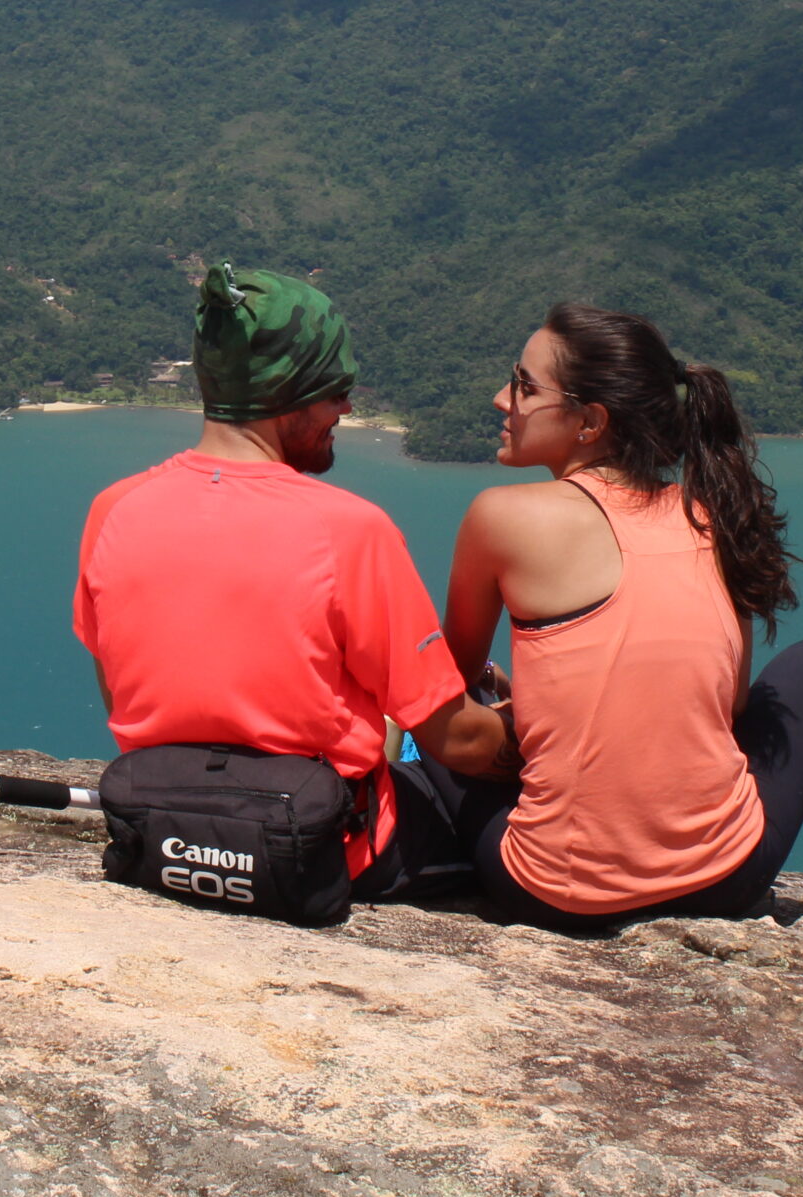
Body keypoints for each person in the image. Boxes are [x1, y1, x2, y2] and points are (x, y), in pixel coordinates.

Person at [74, 262, 517, 901]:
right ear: (289, 392)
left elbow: (122, 701)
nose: (347, 406)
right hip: (328, 853)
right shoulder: (350, 530)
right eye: (335, 388)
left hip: (166, 833)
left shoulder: (113, 508)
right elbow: (455, 740)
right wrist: (549, 728)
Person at [433, 302, 803, 932]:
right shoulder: (714, 514)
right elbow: (728, 712)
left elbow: (444, 683)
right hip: (724, 880)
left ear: (590, 421)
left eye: (524, 385)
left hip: (552, 894)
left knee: (423, 722)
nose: (500, 398)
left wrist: (525, 715)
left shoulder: (501, 516)